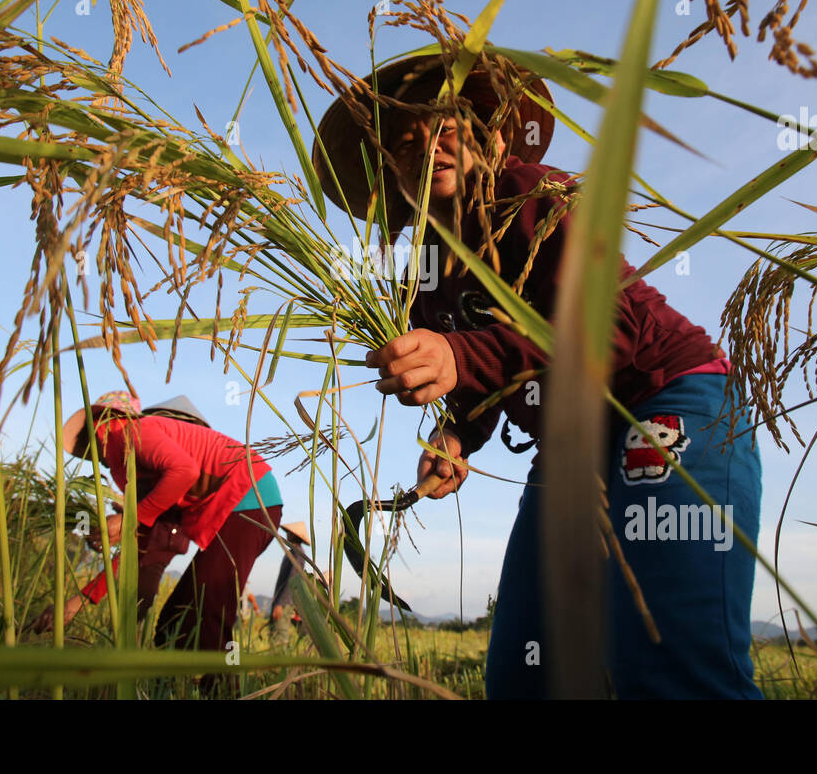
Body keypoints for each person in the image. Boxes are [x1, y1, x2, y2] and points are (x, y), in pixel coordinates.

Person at [311, 53, 764, 699]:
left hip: (664, 400)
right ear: (388, 175)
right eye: (403, 144)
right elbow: (482, 378)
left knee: (669, 661)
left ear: (492, 139)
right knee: (525, 672)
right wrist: (456, 436)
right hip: (569, 447)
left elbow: (609, 331)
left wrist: (457, 357)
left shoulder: (538, 198)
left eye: (446, 127)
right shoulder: (422, 270)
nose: (426, 147)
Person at [30, 392, 283, 657]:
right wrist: (78, 602)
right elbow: (139, 546)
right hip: (241, 507)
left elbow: (185, 472)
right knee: (174, 622)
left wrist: (129, 517)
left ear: (101, 428)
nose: (98, 460)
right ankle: (170, 683)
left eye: (88, 445)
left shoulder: (135, 432)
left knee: (207, 609)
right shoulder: (146, 474)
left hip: (250, 499)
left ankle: (220, 687)